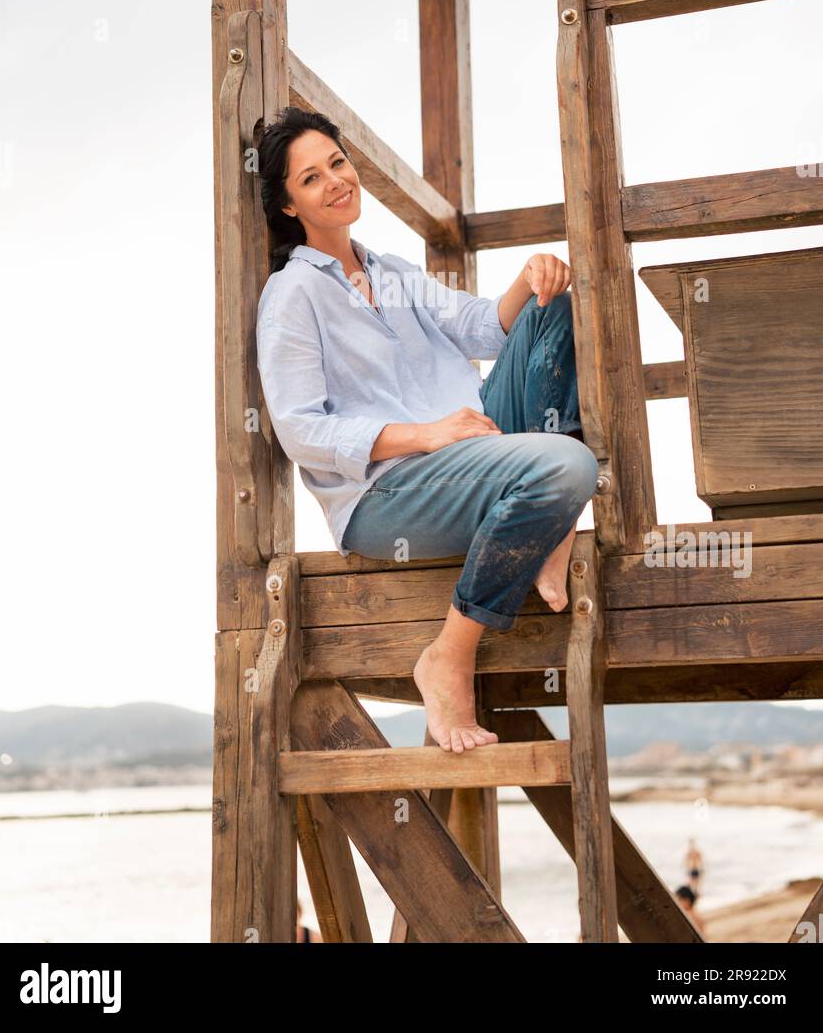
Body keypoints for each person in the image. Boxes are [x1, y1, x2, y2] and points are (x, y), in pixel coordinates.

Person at [256, 106, 599, 755]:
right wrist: (423, 434)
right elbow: (300, 430)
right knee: (570, 469)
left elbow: (481, 327)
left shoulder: (392, 271)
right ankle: (449, 653)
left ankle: (549, 521)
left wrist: (528, 280)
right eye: (311, 178)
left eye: (338, 162)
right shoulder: (293, 295)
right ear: (289, 204)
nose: (335, 180)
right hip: (387, 495)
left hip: (474, 454)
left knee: (556, 309)